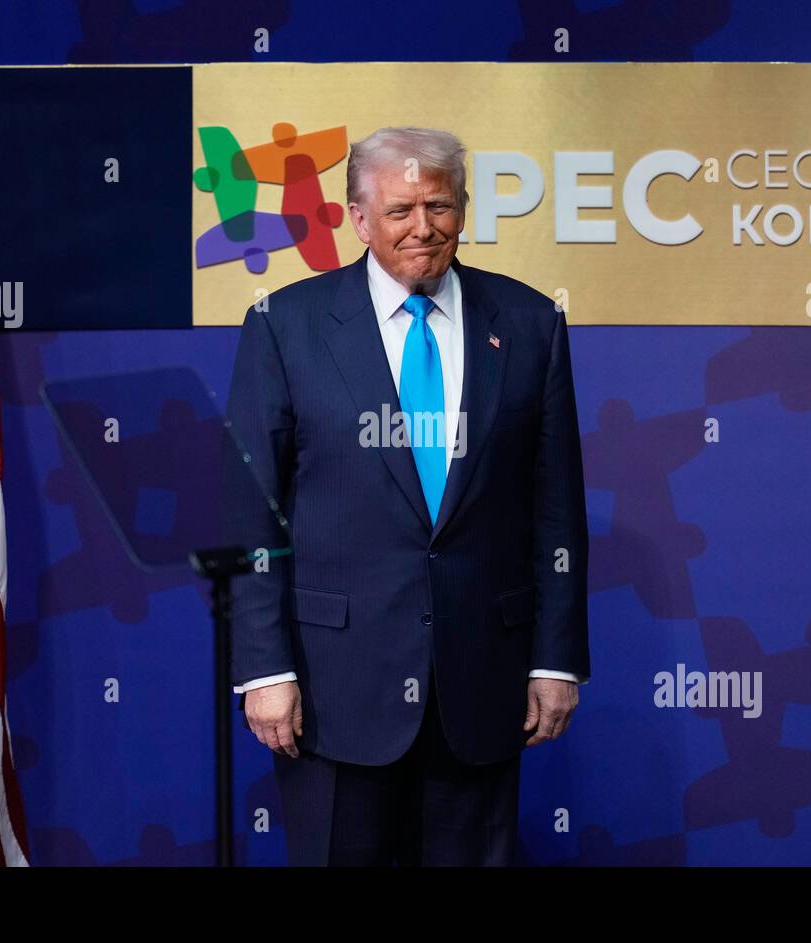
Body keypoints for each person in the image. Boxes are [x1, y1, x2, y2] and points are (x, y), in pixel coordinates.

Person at [225, 126, 589, 866]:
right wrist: (265, 670)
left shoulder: (527, 323)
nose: (424, 228)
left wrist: (556, 659)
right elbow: (251, 510)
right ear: (357, 218)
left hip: (481, 684)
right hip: (332, 692)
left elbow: (557, 503)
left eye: (441, 206)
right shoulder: (286, 327)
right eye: (400, 211)